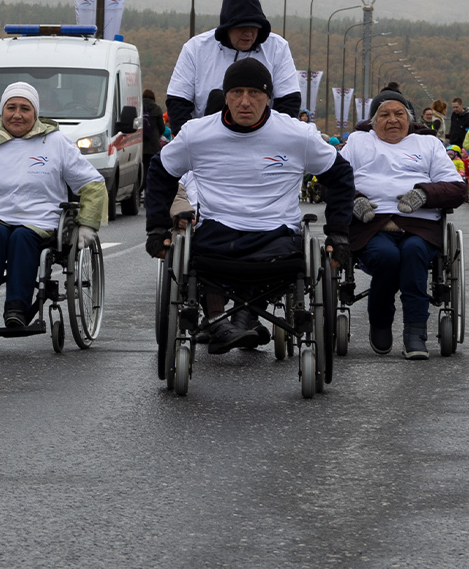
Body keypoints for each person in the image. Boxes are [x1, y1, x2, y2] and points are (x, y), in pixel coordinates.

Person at [145, 58, 354, 353]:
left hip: (277, 232)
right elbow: (161, 171)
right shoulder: (197, 134)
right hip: (217, 231)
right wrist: (156, 228)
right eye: (237, 92)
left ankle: (241, 318)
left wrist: (339, 233)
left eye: (254, 93)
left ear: (268, 97)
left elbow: (341, 174)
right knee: (201, 253)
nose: (245, 101)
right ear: (225, 95)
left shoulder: (297, 135)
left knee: (270, 255)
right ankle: (220, 322)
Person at [0, 81, 106, 328]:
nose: (17, 115)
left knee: (21, 238)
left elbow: (92, 183)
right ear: (2, 110)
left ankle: (17, 309)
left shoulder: (56, 142)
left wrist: (87, 226)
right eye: (11, 108)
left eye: (25, 109)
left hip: (41, 222)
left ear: (35, 113)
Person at [342, 90, 466, 359]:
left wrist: (423, 193)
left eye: (399, 114)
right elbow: (335, 182)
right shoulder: (358, 142)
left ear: (409, 119)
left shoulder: (428, 145)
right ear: (373, 121)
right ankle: (381, 320)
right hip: (371, 224)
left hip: (418, 224)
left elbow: (457, 188)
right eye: (384, 114)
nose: (392, 120)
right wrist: (356, 201)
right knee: (386, 257)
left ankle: (414, 333)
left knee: (413, 254)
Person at [164, 0, 301, 135]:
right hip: (206, 140)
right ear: (227, 28)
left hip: (263, 140)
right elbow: (178, 101)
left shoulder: (277, 47)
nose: (248, 33)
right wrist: (189, 140)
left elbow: (289, 101)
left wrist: (273, 139)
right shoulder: (195, 48)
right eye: (242, 28)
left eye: (254, 27)